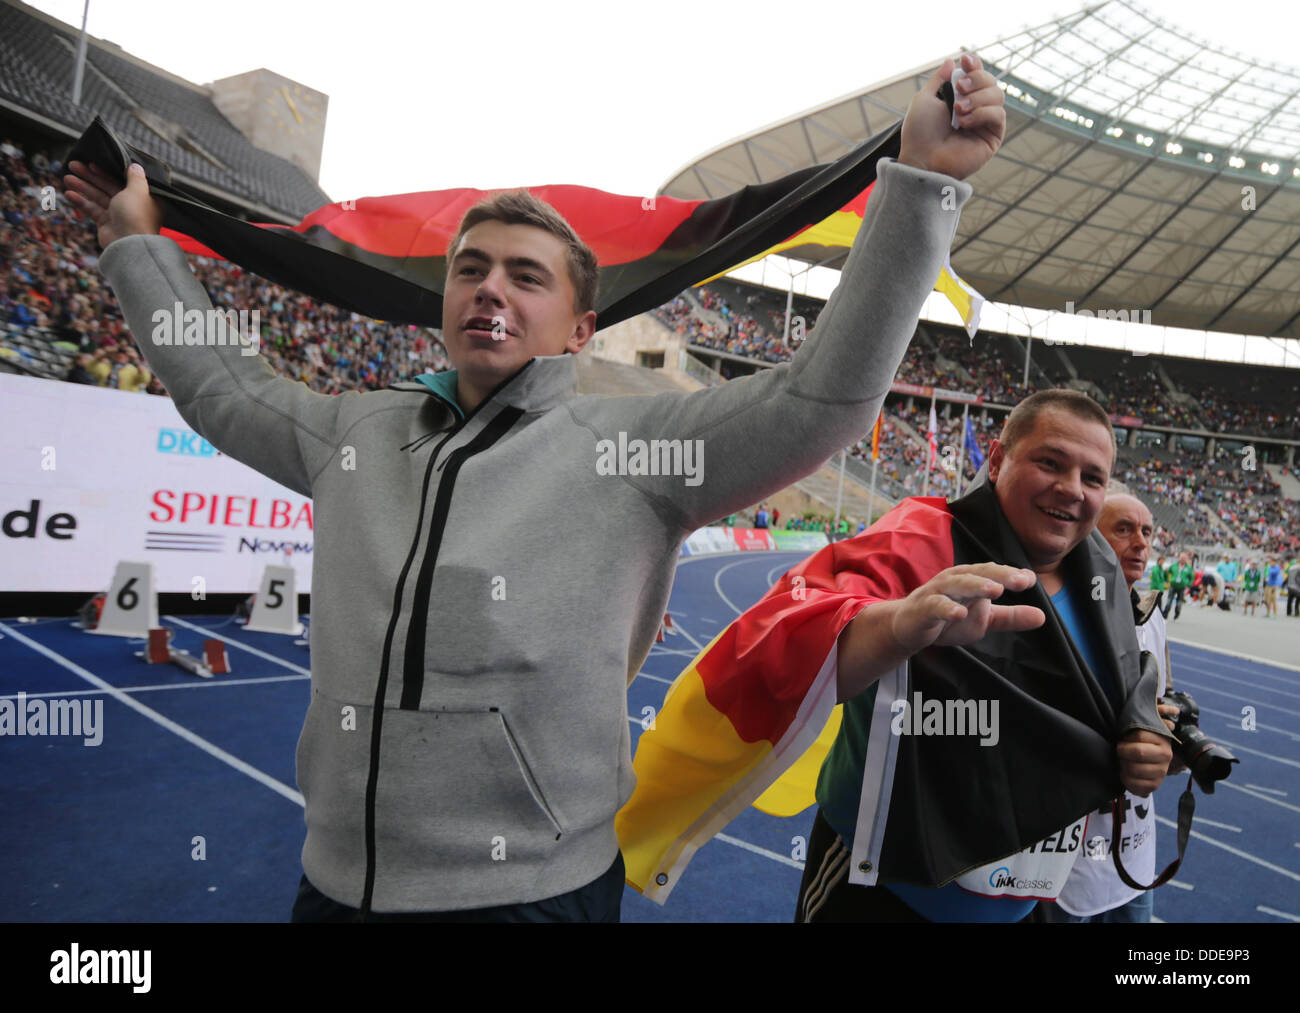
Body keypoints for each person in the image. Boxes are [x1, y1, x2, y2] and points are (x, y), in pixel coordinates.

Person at [65, 52, 1007, 923]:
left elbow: (819, 401)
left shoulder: (634, 450)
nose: (490, 291)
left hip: (534, 896)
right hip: (332, 887)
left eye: (526, 277)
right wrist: (140, 251)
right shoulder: (351, 430)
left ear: (578, 327)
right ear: (442, 300)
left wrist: (924, 183)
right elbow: (224, 385)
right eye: (469, 270)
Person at [619, 389, 1174, 921]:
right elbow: (794, 625)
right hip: (883, 892)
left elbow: (1123, 695)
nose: (1072, 488)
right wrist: (900, 625)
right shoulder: (922, 538)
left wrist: (1146, 737)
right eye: (1051, 463)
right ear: (999, 460)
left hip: (1028, 902)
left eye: (1092, 477)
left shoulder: (1102, 580)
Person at [1044, 493, 1182, 923]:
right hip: (1061, 857)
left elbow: (1166, 704)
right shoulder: (1052, 613)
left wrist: (1169, 740)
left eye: (1147, 531)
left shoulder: (1153, 615)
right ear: (1087, 538)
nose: (1141, 542)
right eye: (1123, 529)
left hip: (1133, 849)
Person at [1167, 552, 1193, 620]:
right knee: (1169, 600)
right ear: (1179, 558)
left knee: (1179, 602)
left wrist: (1188, 584)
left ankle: (1176, 614)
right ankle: (1165, 614)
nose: (1182, 559)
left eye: (1184, 558)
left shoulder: (1188, 568)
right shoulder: (1174, 565)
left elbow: (1191, 577)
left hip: (1182, 587)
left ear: (1186, 559)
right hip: (1173, 585)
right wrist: (1169, 580)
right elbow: (1168, 572)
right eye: (1181, 558)